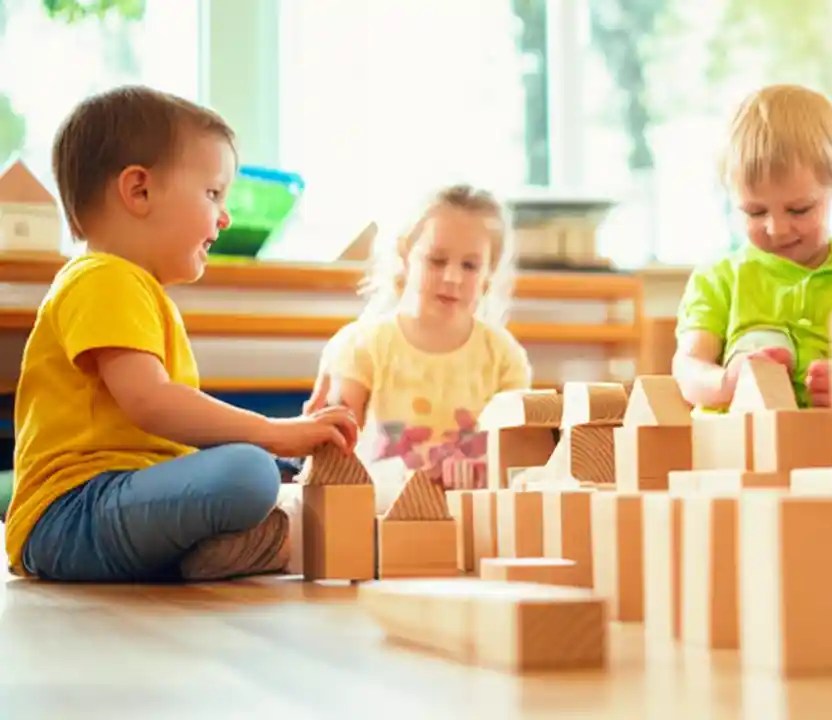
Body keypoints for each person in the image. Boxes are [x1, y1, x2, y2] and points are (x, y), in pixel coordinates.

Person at [8, 85, 358, 582]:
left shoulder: (134, 288)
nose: (225, 215)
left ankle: (206, 554)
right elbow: (151, 402)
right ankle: (220, 547)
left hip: (111, 503)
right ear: (139, 191)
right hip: (72, 514)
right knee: (249, 472)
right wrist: (274, 433)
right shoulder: (104, 278)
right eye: (213, 193)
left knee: (256, 472)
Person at [673, 84, 832, 410]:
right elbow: (688, 369)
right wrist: (727, 383)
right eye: (755, 212)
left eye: (799, 210)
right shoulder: (719, 280)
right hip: (738, 452)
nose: (777, 229)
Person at [322, 184, 530, 489]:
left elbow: (519, 451)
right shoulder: (363, 344)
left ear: (490, 272)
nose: (452, 277)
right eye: (437, 260)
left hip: (475, 512)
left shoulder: (504, 355)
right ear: (406, 256)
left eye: (470, 265)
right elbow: (336, 451)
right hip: (386, 508)